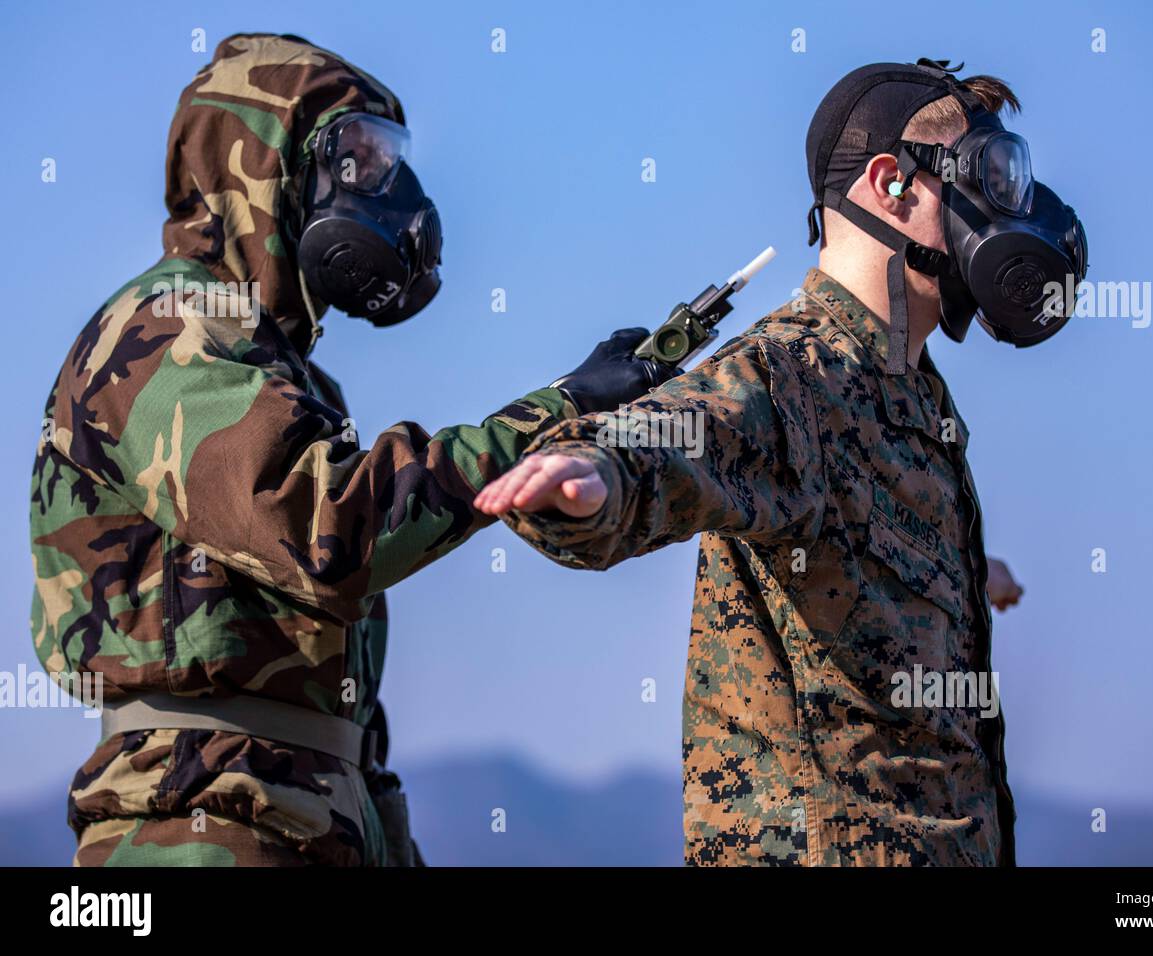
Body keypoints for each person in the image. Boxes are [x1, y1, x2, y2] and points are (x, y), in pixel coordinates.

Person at [28, 33, 672, 866]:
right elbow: (329, 532)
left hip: (304, 822)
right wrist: (560, 408)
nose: (386, 190)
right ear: (266, 161)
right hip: (199, 829)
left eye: (388, 161)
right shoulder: (167, 329)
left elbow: (337, 701)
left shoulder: (284, 375)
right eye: (357, 158)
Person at [476, 59, 1085, 866]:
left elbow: (864, 550)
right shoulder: (796, 372)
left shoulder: (911, 398)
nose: (1013, 209)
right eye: (990, 177)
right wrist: (597, 473)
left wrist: (972, 573)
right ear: (891, 184)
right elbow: (685, 429)